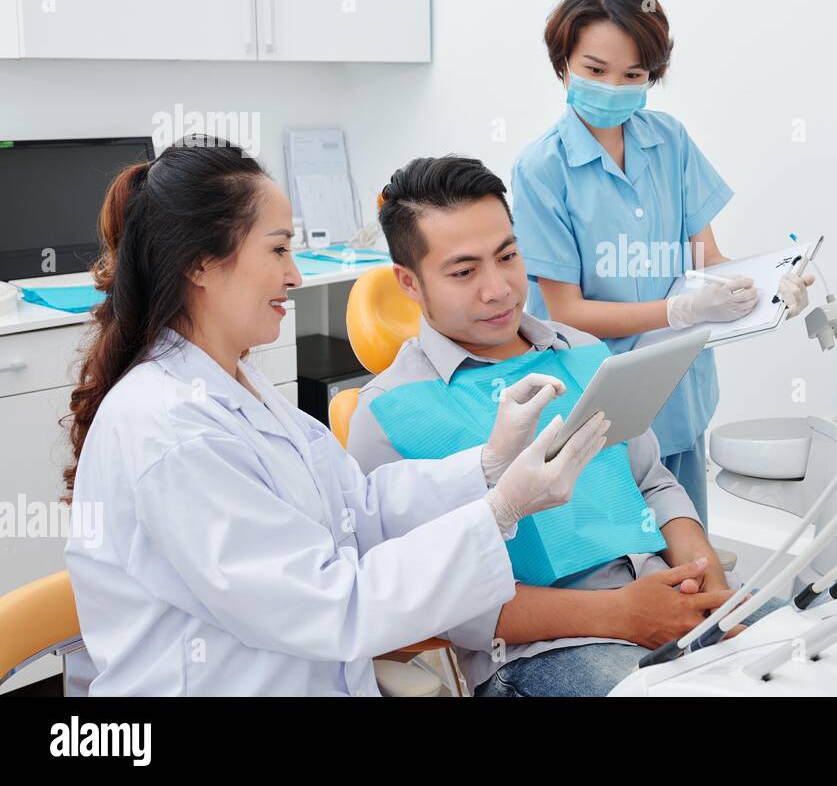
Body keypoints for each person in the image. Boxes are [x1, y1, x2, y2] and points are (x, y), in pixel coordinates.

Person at [61, 136, 608, 696]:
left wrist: (488, 466)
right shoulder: (169, 431)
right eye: (277, 251)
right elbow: (333, 606)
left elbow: (357, 510)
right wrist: (501, 509)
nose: (294, 276)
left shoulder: (241, 388)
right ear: (200, 264)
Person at [347, 155, 782, 697]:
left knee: (830, 652)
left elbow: (651, 481)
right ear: (409, 282)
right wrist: (622, 616)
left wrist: (708, 578)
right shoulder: (388, 413)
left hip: (664, 596)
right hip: (546, 652)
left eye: (507, 256)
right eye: (464, 272)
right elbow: (427, 594)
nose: (499, 288)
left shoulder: (580, 351)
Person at [510, 0, 814, 527]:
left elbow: (708, 263)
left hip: (680, 391)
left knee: (688, 550)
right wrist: (678, 311)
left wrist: (773, 286)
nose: (613, 87)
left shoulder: (668, 140)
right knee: (623, 566)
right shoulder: (541, 170)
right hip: (599, 403)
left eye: (634, 74)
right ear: (563, 64)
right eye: (595, 70)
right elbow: (567, 313)